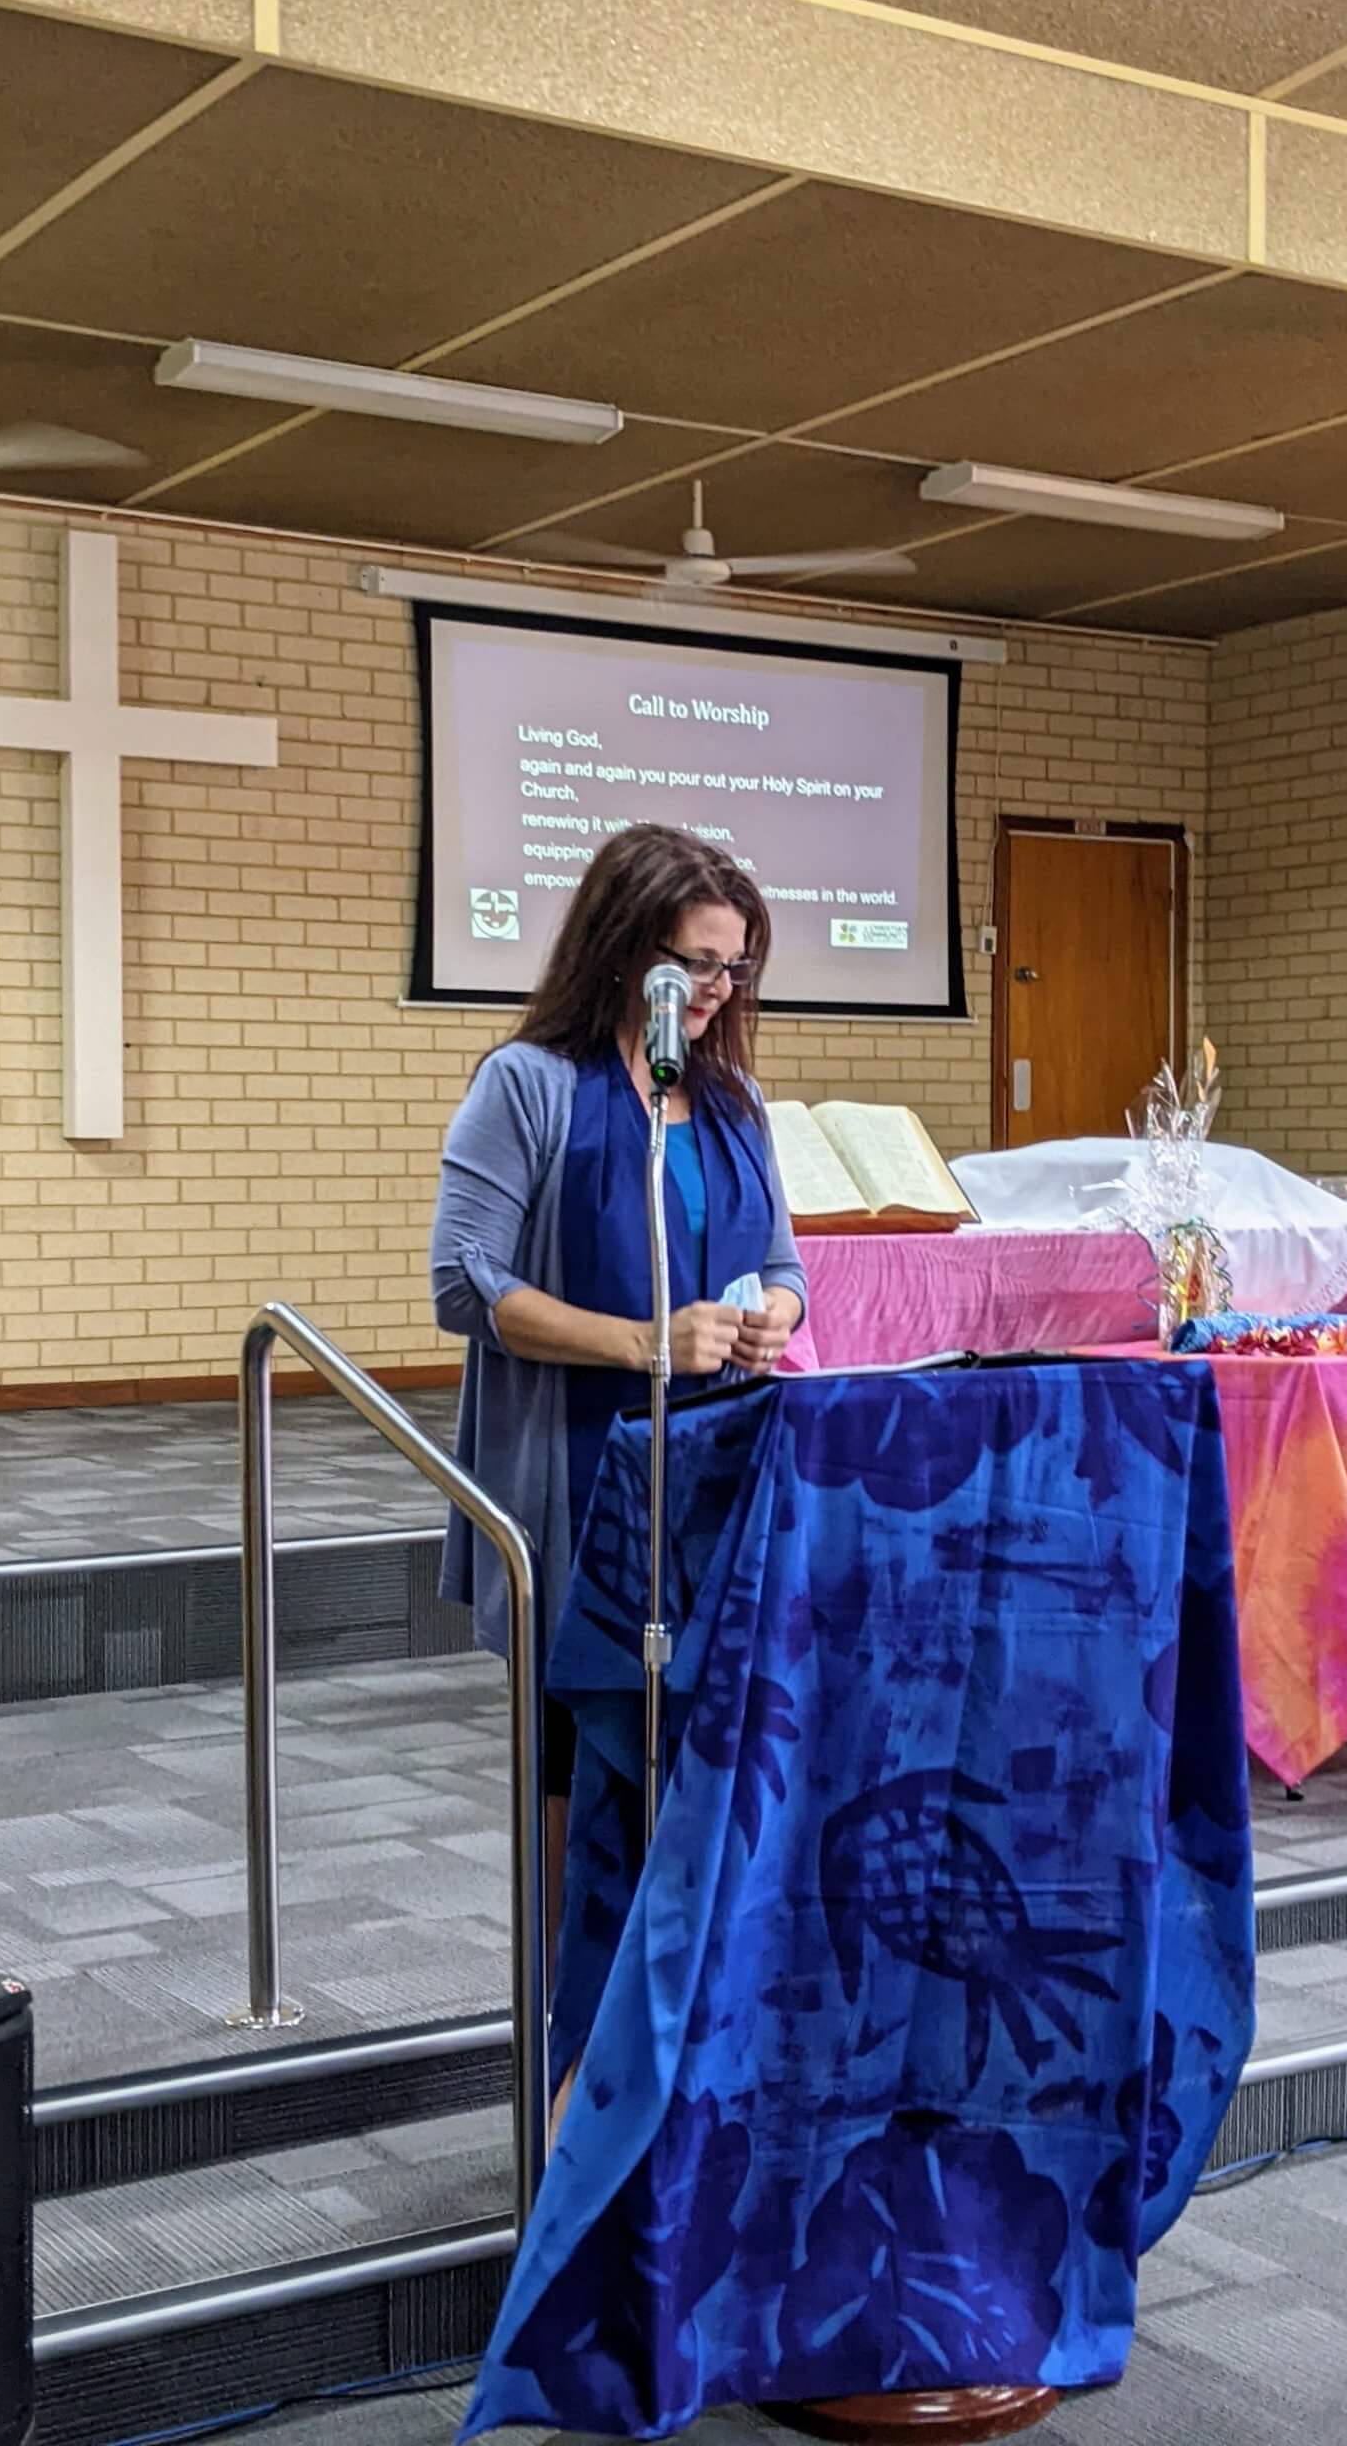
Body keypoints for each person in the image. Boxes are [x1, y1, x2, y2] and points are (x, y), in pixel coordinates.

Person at [430, 823, 806, 1933]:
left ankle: (681, 2036)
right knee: (577, 1775)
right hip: (577, 1490)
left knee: (712, 1777)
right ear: (623, 948)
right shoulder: (529, 1085)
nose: (714, 990)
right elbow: (466, 1282)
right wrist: (645, 1341)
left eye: (733, 966)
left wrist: (768, 1318)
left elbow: (782, 1265)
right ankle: (569, 2037)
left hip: (715, 1491)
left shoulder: (734, 1103)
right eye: (694, 963)